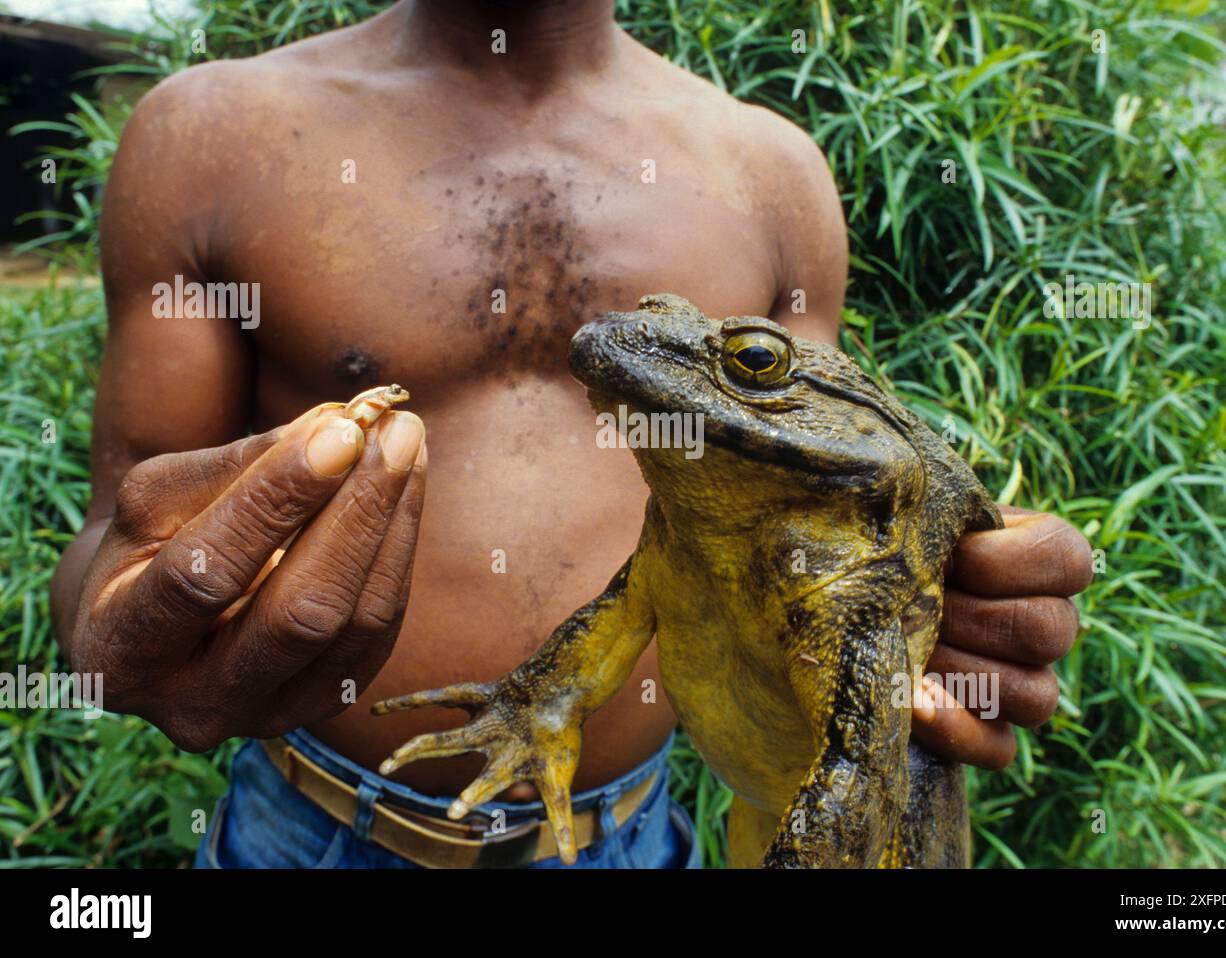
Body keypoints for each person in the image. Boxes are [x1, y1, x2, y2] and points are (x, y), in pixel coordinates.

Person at [50, 0, 1093, 869]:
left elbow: (832, 485)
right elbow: (119, 535)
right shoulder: (210, 133)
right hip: (309, 825)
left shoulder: (771, 170)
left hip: (635, 834)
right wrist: (126, 628)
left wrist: (943, 600)